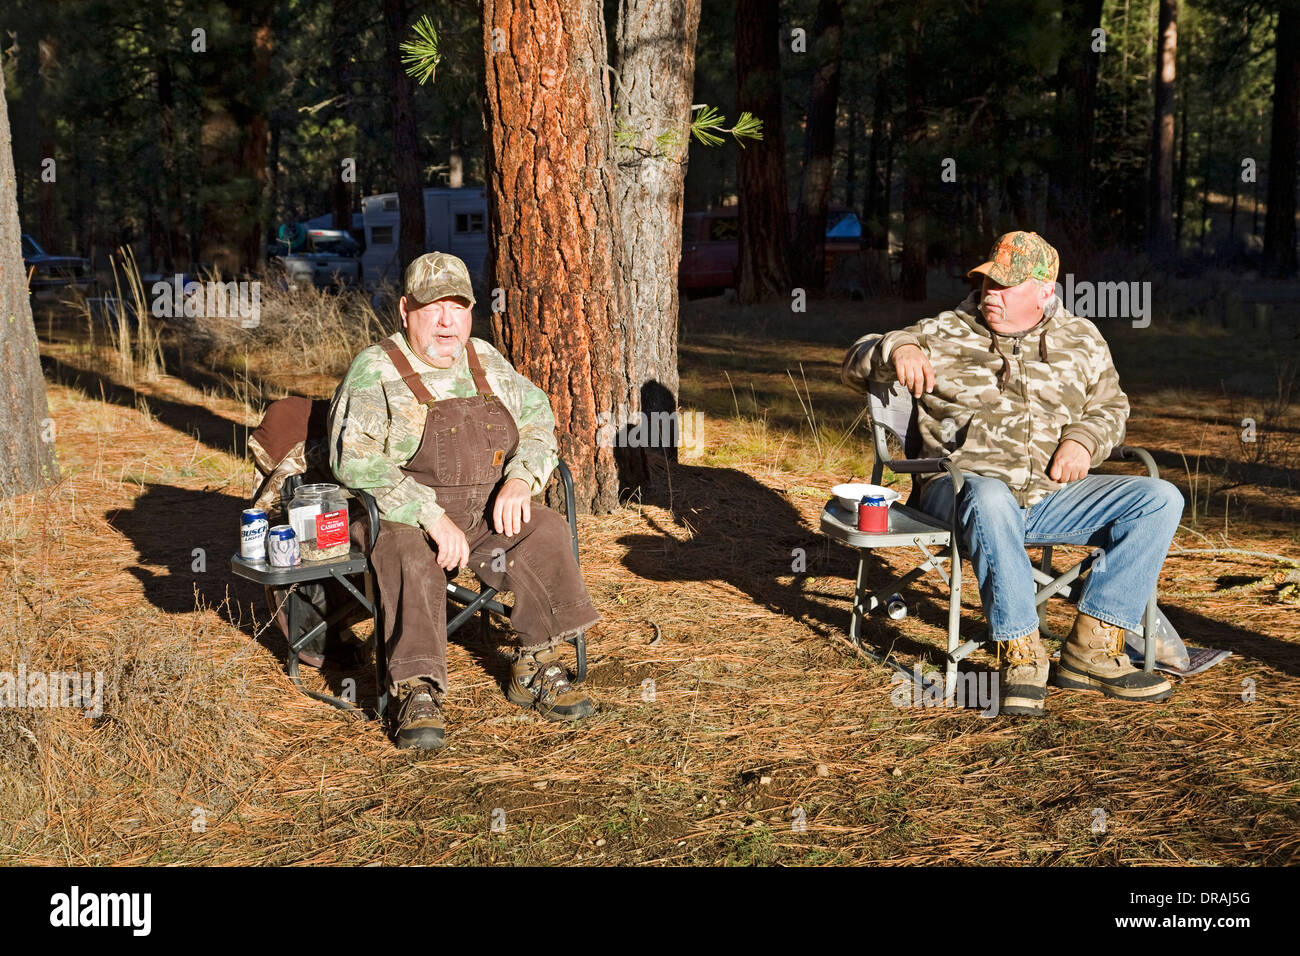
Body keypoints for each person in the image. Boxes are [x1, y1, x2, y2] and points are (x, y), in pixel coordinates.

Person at [841, 231, 1182, 716]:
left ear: (1045, 291)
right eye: (985, 284)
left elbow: (1111, 407)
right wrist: (896, 349)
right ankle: (1020, 651)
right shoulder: (943, 332)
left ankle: (1093, 647)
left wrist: (1082, 440)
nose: (989, 295)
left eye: (1004, 286)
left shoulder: (1082, 339)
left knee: (1160, 497)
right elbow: (853, 362)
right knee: (990, 495)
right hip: (957, 491)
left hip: (1049, 494)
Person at [328, 252, 600, 749]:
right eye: (434, 307)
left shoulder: (485, 359)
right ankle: (416, 689)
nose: (447, 320)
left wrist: (521, 479)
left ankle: (536, 663)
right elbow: (354, 460)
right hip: (399, 516)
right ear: (407, 310)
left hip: (484, 510)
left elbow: (539, 420)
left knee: (545, 530)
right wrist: (429, 515)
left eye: (459, 305)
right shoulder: (376, 369)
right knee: (409, 555)